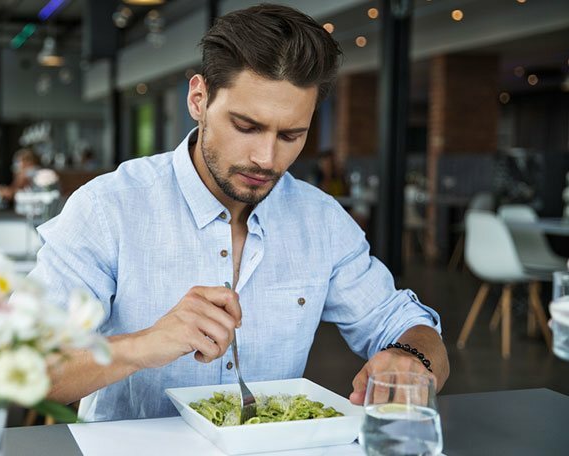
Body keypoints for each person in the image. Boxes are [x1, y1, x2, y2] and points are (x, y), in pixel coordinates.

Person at [28, 4, 448, 422]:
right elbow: (25, 366)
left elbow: (409, 327)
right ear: (199, 99)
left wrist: (411, 358)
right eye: (246, 126)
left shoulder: (321, 221)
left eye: (290, 135)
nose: (266, 159)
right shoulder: (108, 209)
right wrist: (143, 345)